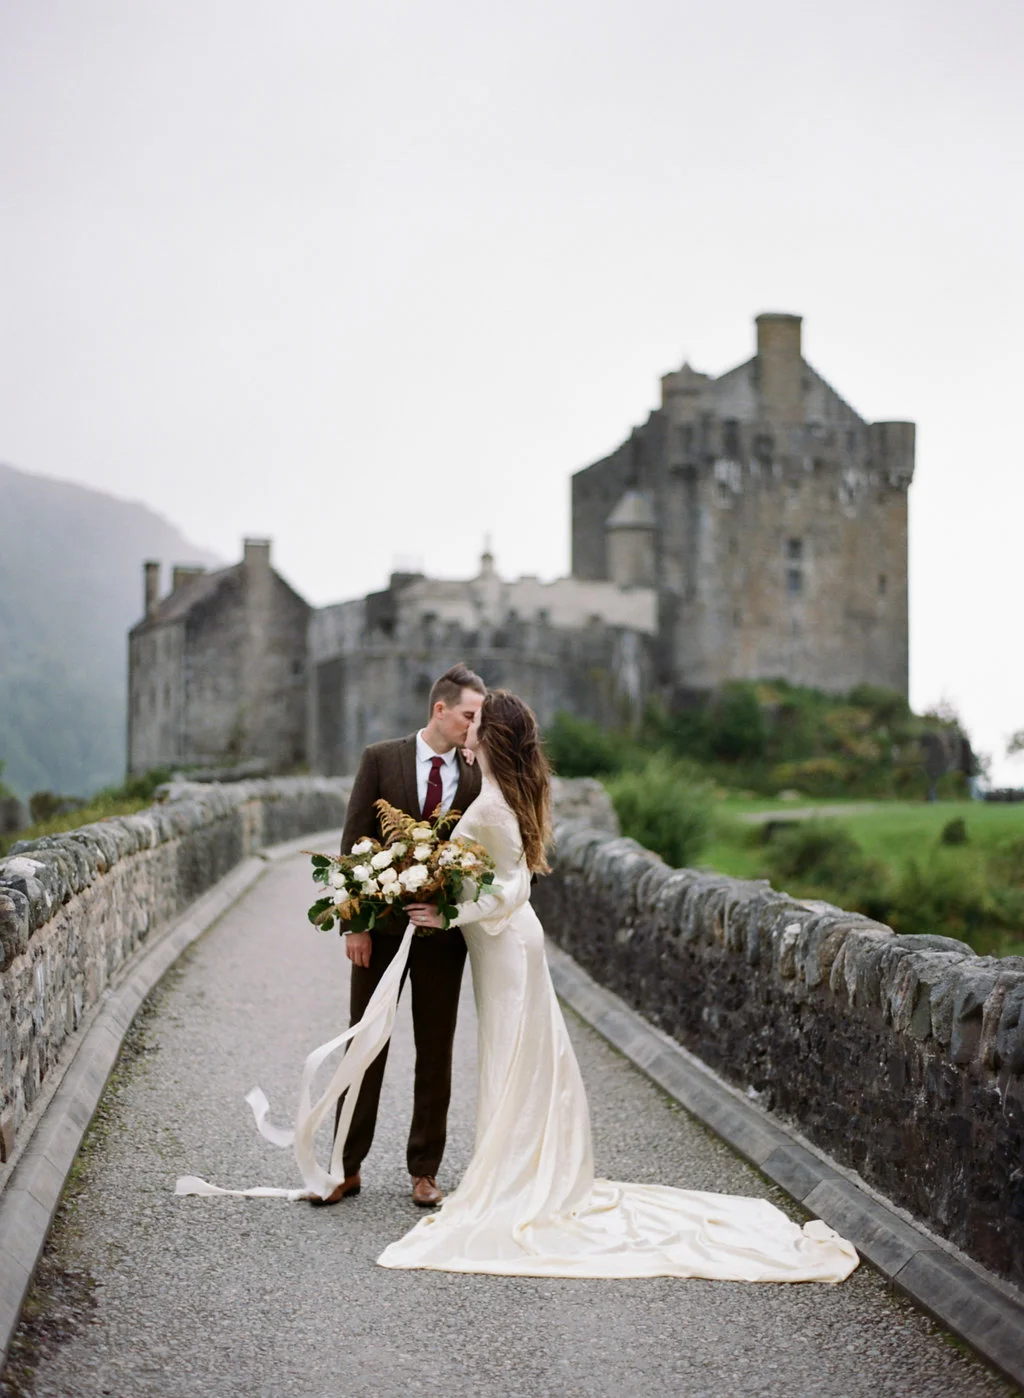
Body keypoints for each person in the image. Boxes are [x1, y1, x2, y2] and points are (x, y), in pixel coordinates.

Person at [373, 690, 860, 1282]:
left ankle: (511, 1182)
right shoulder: (503, 793)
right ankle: (518, 1171)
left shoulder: (495, 806)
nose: (468, 727)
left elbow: (512, 888)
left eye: (477, 722)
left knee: (510, 1056)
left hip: (504, 940)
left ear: (492, 735)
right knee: (519, 1057)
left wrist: (448, 913)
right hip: (508, 941)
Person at [317, 663, 485, 1209]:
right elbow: (353, 842)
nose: (474, 725)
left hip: (443, 937)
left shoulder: (478, 772)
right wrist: (354, 925)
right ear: (441, 710)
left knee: (436, 1051)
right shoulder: (380, 759)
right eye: (468, 715)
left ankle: (425, 1171)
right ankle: (344, 1167)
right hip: (380, 933)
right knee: (364, 1044)